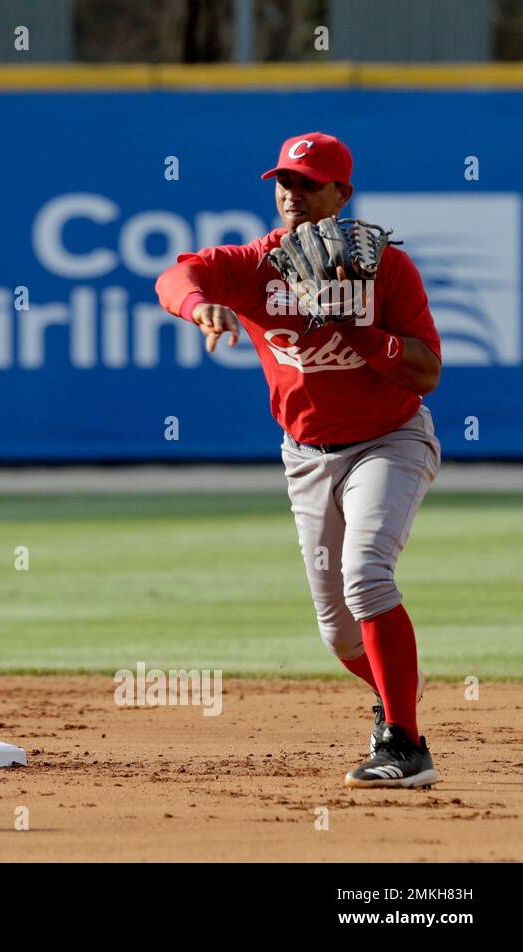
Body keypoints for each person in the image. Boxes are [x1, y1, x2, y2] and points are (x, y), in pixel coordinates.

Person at [155, 132, 442, 788]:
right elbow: (175, 276)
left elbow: (427, 373)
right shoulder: (257, 264)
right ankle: (399, 686)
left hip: (388, 444)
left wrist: (362, 333)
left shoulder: (386, 270)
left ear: (342, 194)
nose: (292, 193)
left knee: (367, 575)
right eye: (284, 181)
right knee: (340, 635)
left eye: (308, 182)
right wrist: (203, 309)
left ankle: (404, 744)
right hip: (306, 458)